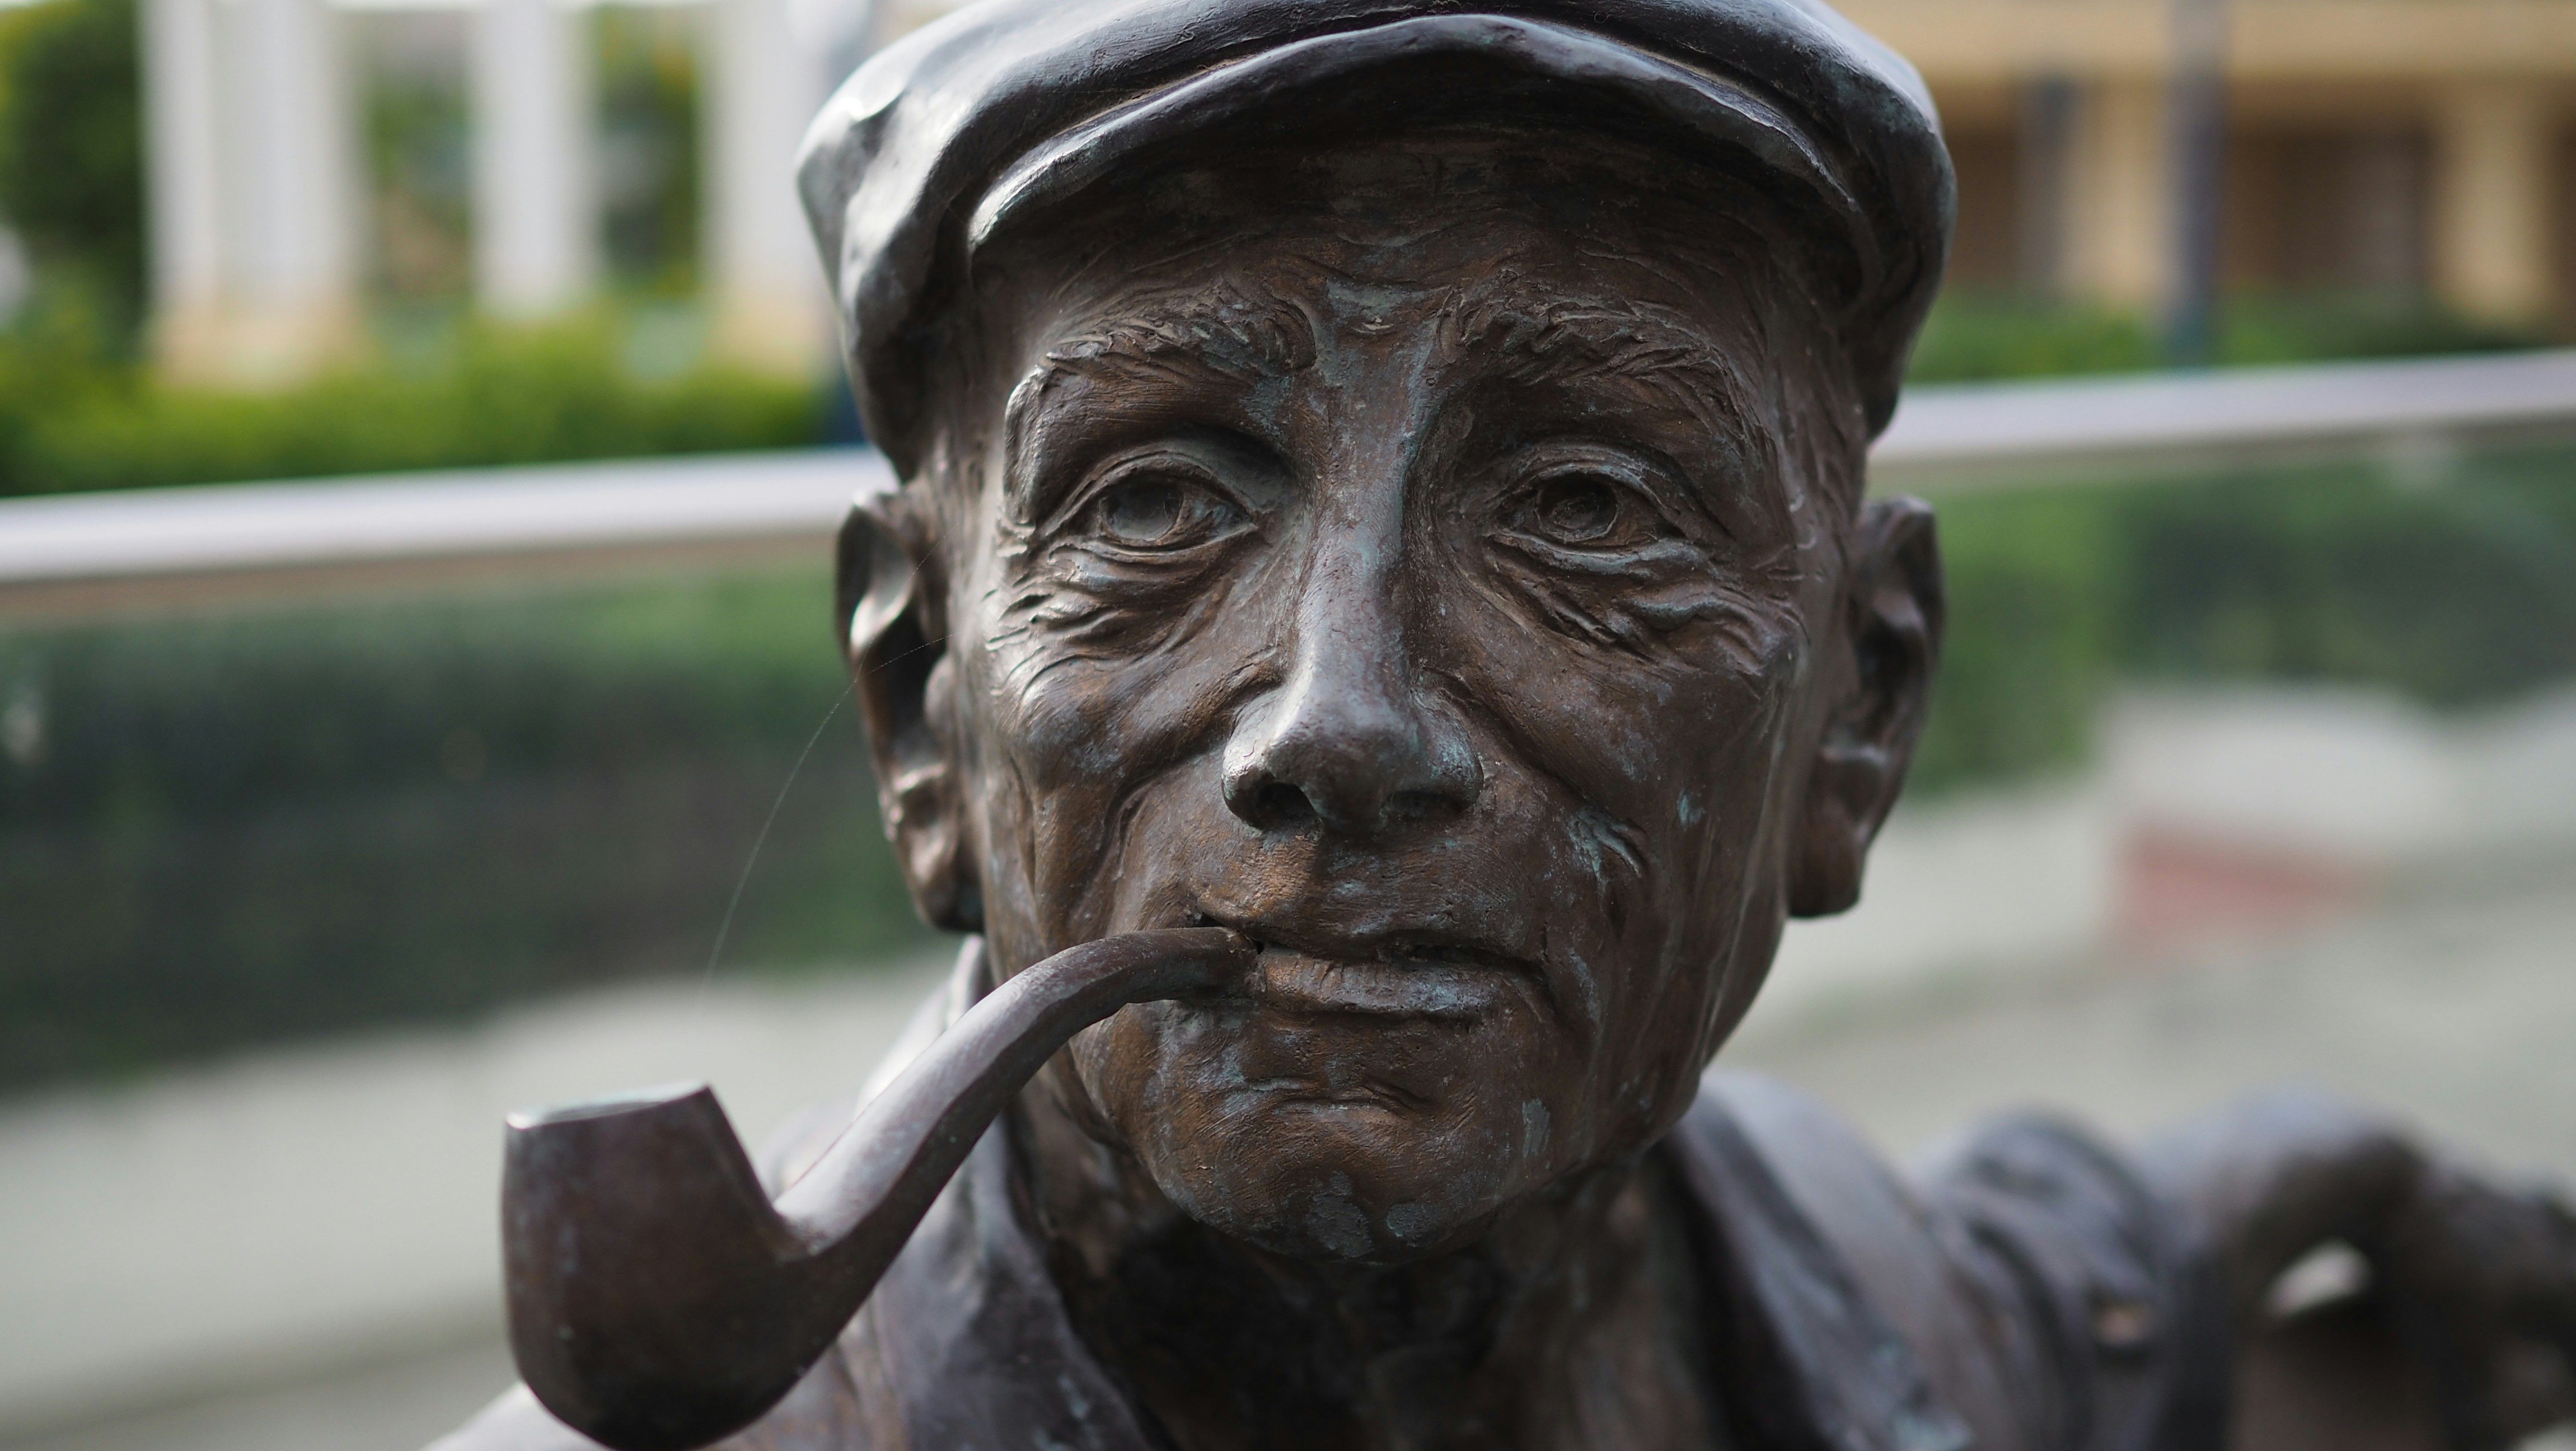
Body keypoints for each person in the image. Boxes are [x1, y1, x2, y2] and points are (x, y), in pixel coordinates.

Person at [438, 2, 2576, 1447]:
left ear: (1860, 716)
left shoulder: (1860, 1298)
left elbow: (2062, 1282)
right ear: (922, 712)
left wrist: (2332, 1163)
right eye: (1156, 502)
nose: (1340, 719)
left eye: (1587, 506)